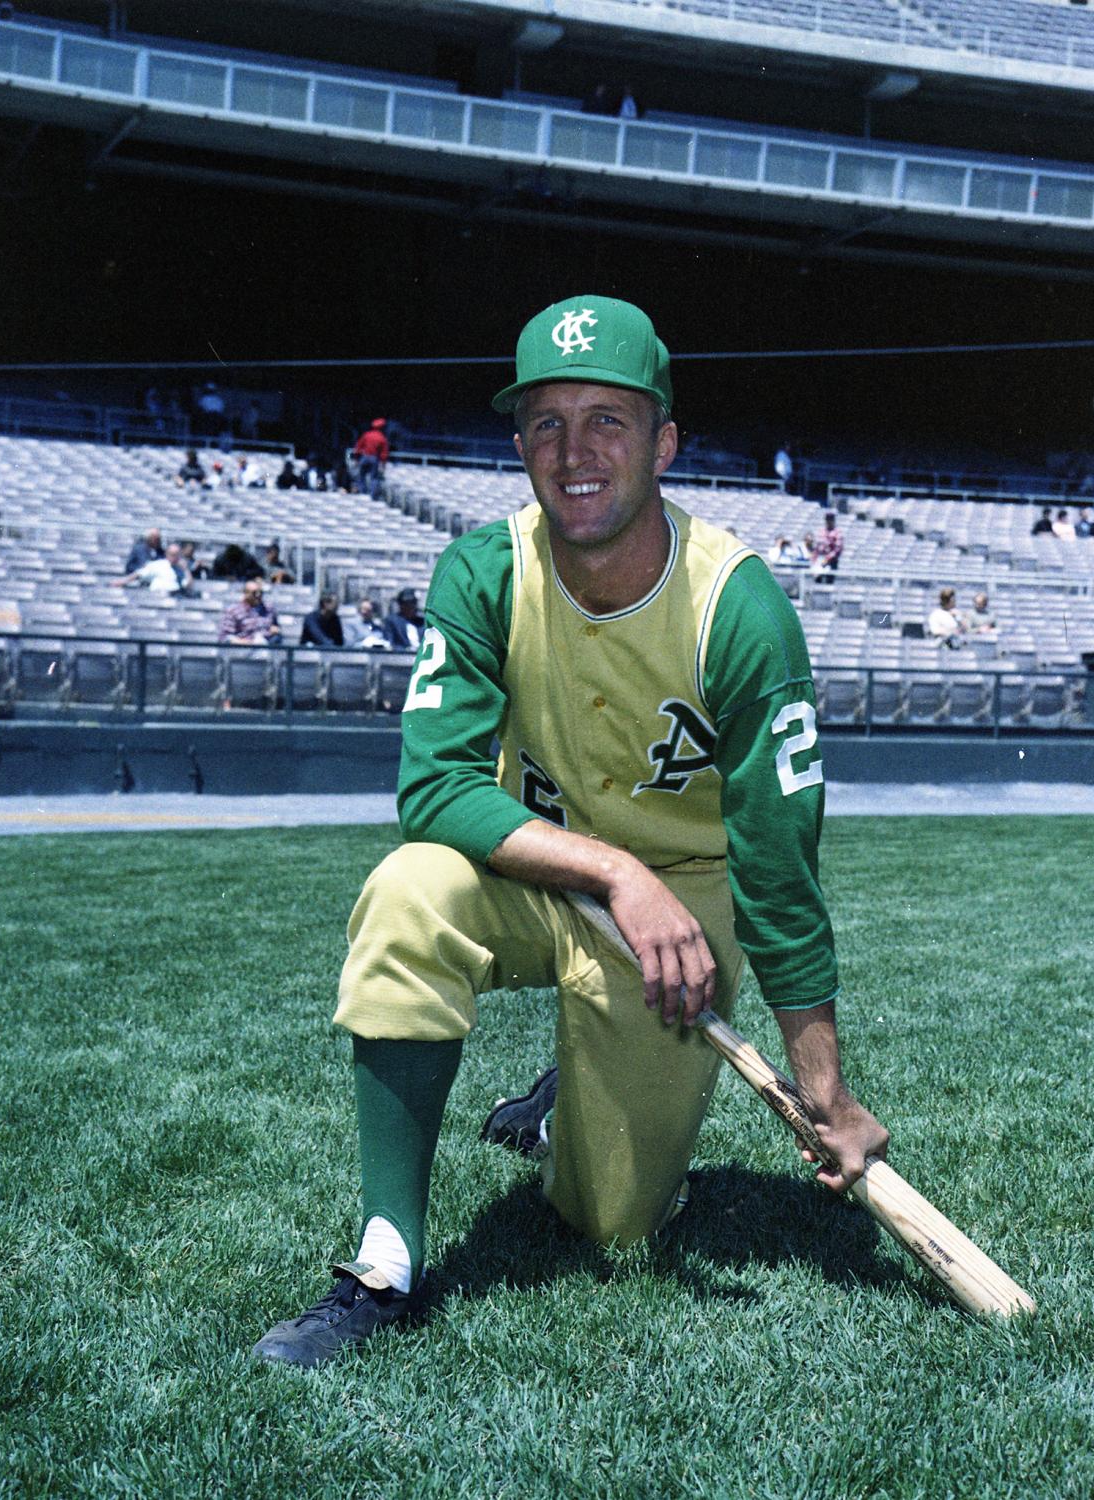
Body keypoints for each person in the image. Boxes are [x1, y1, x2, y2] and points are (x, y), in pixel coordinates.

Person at [251, 293, 887, 1370]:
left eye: (608, 420)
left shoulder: (736, 607)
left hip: (680, 919)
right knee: (409, 892)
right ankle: (386, 1257)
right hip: (539, 871)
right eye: (546, 422)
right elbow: (435, 789)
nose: (574, 450)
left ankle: (570, 1103)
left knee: (610, 1229)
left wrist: (821, 1085)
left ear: (663, 442)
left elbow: (780, 872)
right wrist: (611, 870)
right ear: (518, 445)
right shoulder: (483, 569)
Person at [113, 542, 192, 596]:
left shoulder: (181, 569)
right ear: (167, 554)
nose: (175, 557)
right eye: (172, 554)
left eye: (177, 555)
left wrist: (186, 570)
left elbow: (187, 585)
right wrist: (123, 581)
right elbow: (139, 574)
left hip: (176, 596)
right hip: (159, 595)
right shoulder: (158, 565)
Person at [220, 578, 281, 644]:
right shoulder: (233, 610)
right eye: (255, 593)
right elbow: (225, 637)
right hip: (243, 649)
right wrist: (244, 642)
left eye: (261, 592)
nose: (258, 595)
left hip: (266, 647)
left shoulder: (269, 609)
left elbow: (276, 627)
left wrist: (275, 630)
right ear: (246, 593)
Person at [351, 419, 390, 496]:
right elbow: (384, 453)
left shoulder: (367, 435)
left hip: (364, 457)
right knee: (374, 478)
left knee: (361, 476)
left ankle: (362, 493)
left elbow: (358, 447)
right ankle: (372, 495)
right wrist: (383, 465)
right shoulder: (382, 438)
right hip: (374, 459)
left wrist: (356, 459)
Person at [809, 513, 843, 581]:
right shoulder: (822, 531)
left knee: (829, 580)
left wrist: (828, 558)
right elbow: (817, 546)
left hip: (832, 561)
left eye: (830, 520)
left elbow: (838, 549)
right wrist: (814, 556)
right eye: (827, 520)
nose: (828, 522)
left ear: (833, 521)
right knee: (817, 579)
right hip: (820, 559)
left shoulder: (837, 532)